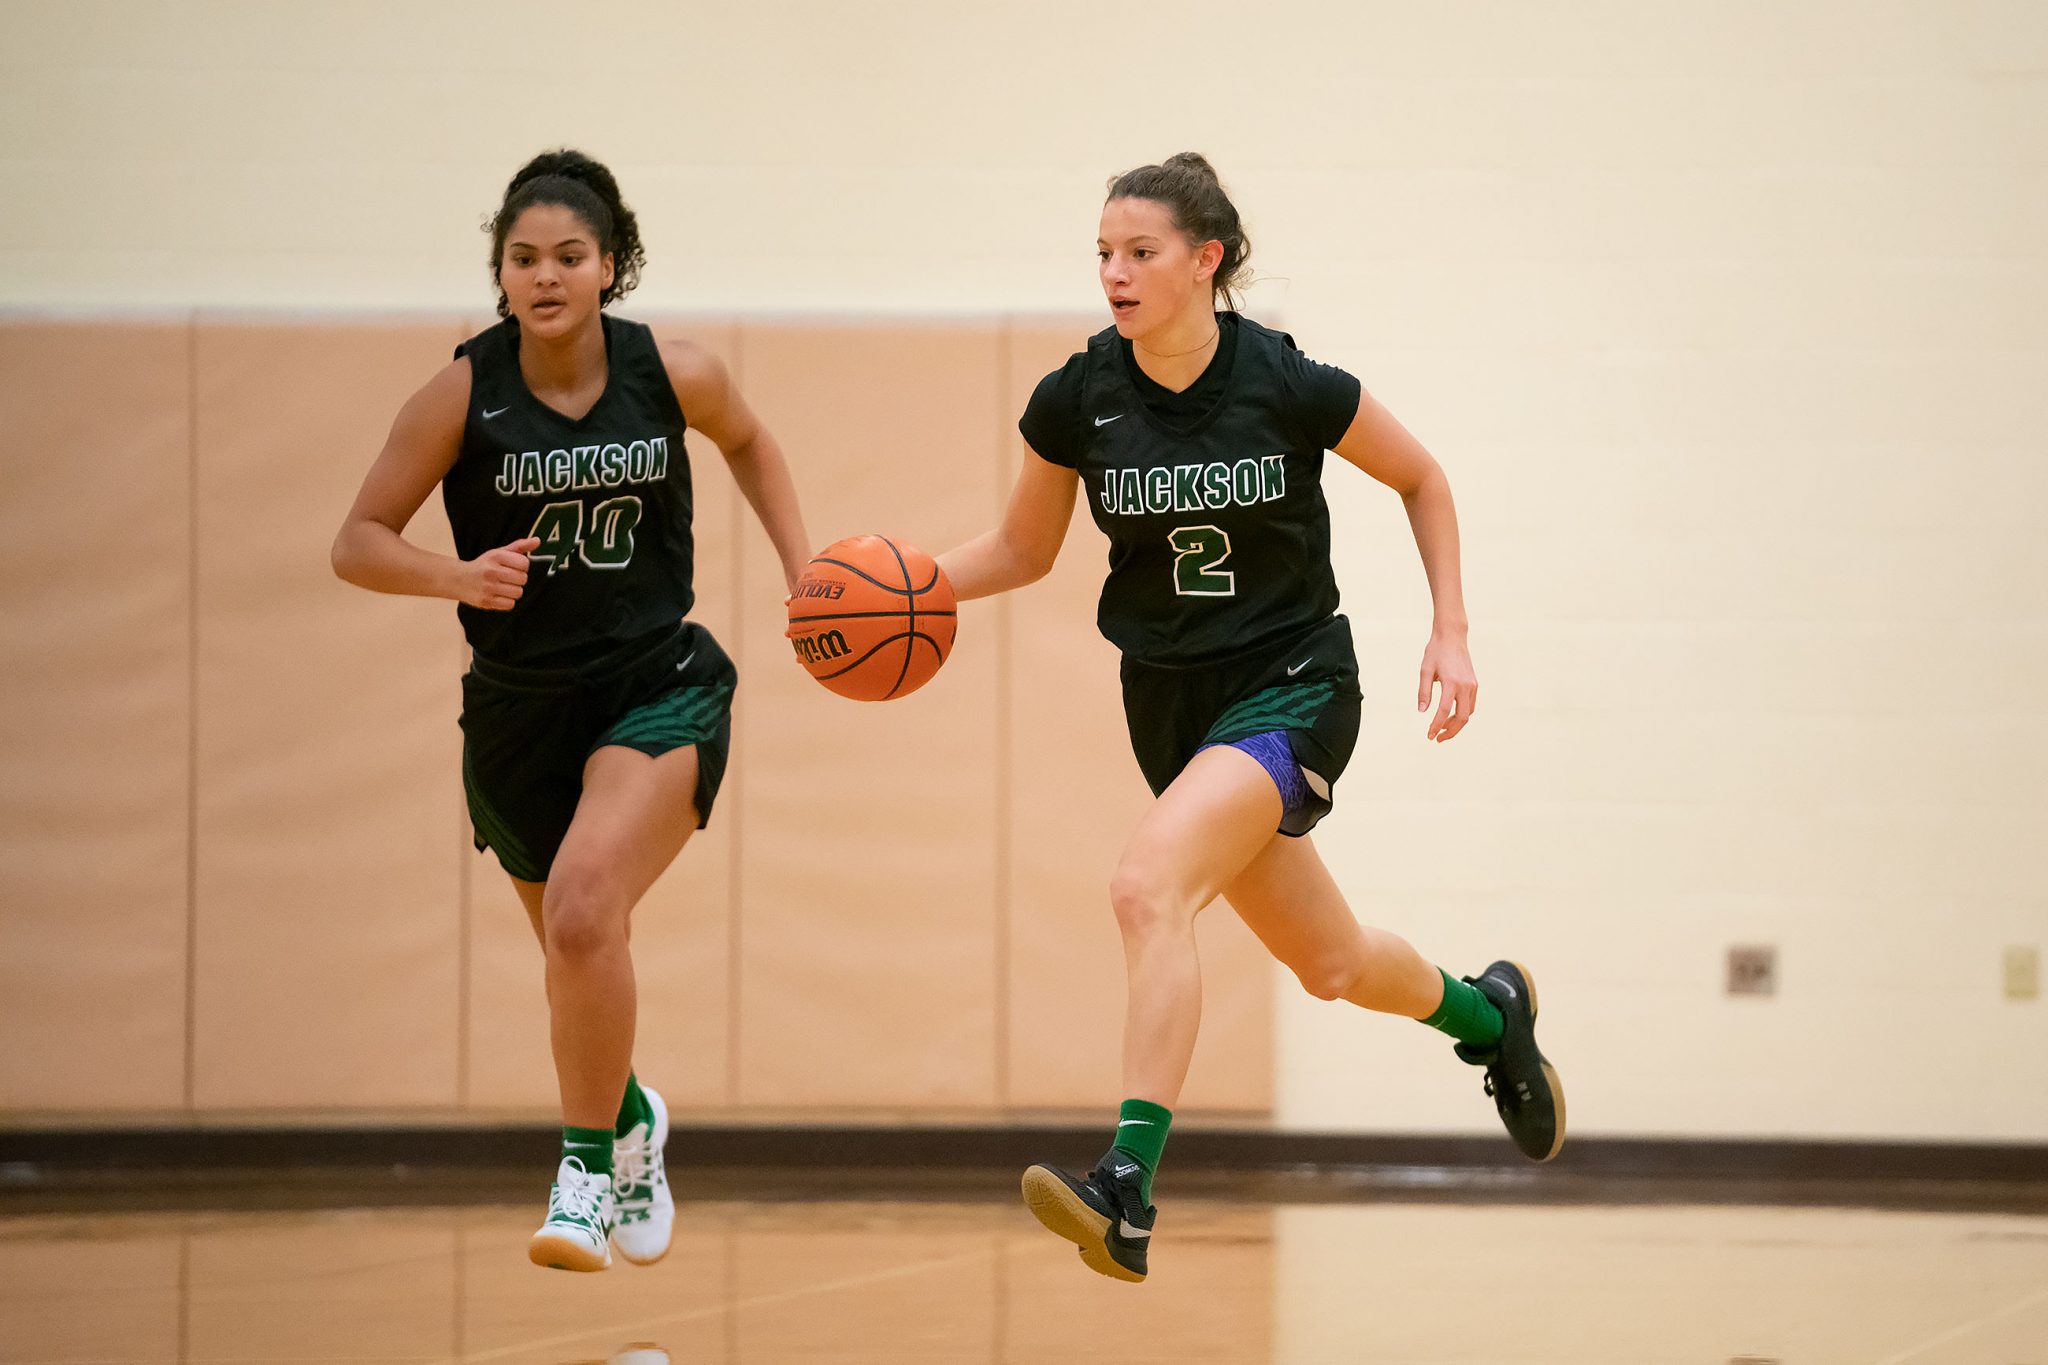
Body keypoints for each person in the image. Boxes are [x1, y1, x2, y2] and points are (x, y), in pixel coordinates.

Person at [937, 153, 1563, 1284]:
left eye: (1138, 253)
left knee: (1145, 888)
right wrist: (903, 581)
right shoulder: (1077, 396)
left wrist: (1451, 628)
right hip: (1170, 708)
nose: (1113, 275)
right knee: (1329, 962)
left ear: (1204, 259)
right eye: (1102, 254)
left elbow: (1421, 477)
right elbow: (1021, 551)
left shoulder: (1284, 381)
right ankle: (1487, 1017)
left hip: (1292, 684)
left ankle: (1125, 1186)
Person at [332, 149, 810, 1272]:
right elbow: (355, 541)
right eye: (522, 259)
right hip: (514, 714)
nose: (544, 276)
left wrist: (806, 572)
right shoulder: (461, 393)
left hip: (656, 686)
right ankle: (631, 1115)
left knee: (587, 910)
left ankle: (584, 1174)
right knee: (573, 950)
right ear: (501, 276)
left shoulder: (675, 374)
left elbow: (749, 441)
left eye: (568, 256)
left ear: (610, 266)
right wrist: (454, 576)